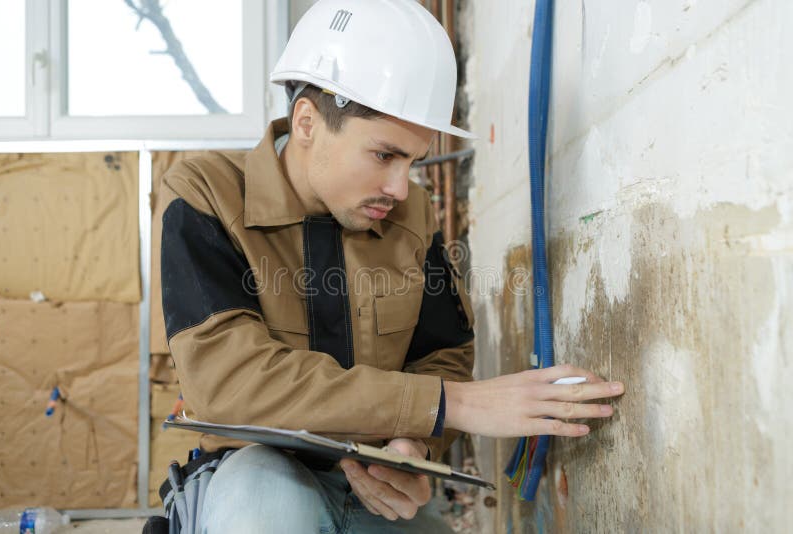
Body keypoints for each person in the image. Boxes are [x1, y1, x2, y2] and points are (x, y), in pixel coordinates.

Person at [157, 0, 625, 532]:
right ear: (308, 122)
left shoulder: (412, 214)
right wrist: (451, 405)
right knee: (265, 502)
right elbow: (229, 384)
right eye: (384, 156)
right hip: (249, 477)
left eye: (413, 161)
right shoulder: (204, 195)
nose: (401, 188)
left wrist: (412, 444)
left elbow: (441, 354)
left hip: (374, 480)